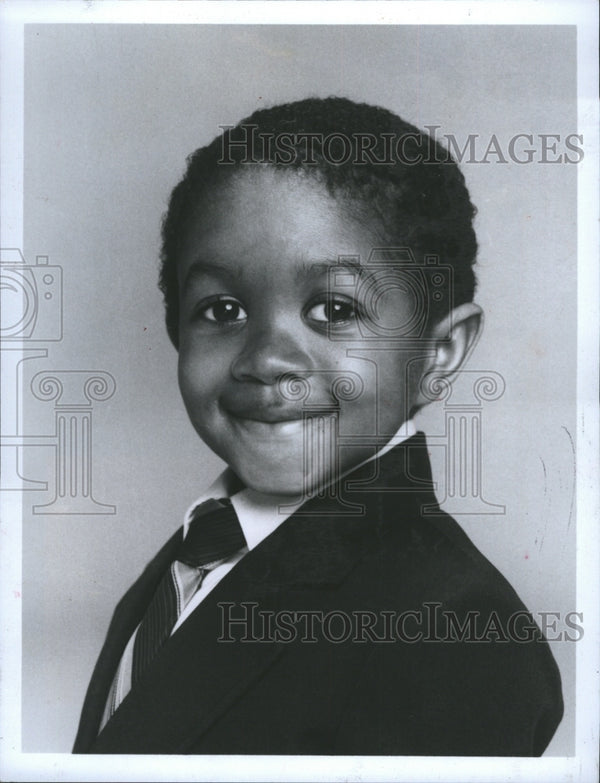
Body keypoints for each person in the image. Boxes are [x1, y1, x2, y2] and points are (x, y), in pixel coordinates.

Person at [73, 97, 563, 755]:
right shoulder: (198, 552)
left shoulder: (452, 626)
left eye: (333, 309)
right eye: (223, 310)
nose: (266, 359)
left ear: (438, 353)